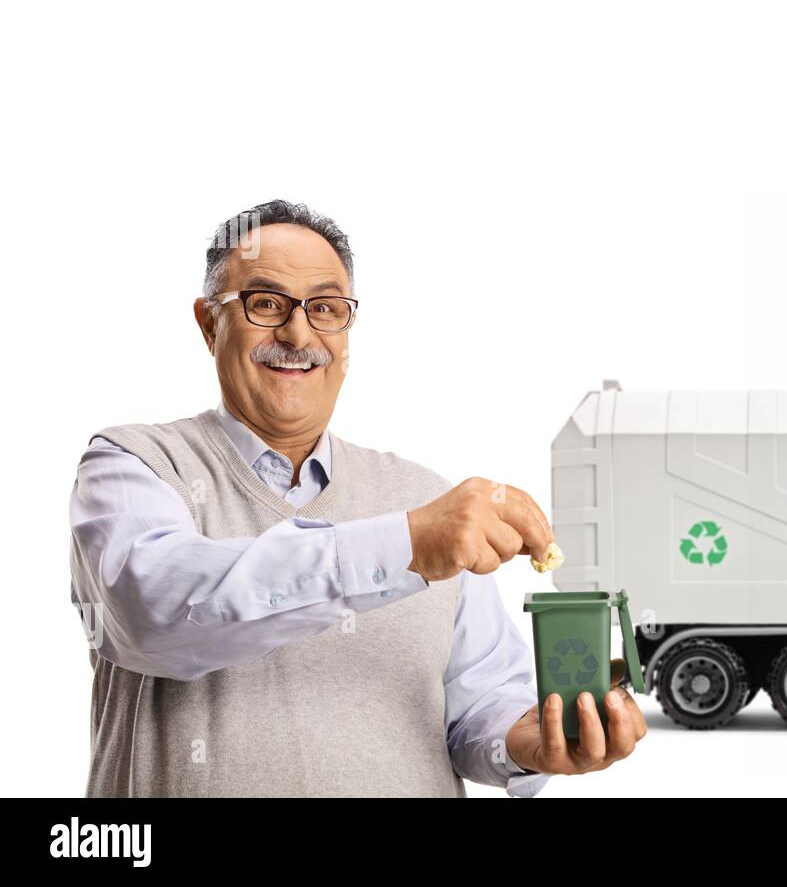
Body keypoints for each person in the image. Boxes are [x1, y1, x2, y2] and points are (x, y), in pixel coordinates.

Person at [68, 199, 646, 797]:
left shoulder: (424, 498)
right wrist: (406, 545)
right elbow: (152, 610)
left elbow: (482, 702)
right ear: (210, 322)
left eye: (324, 308)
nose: (298, 334)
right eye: (266, 304)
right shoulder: (133, 465)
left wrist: (521, 741)